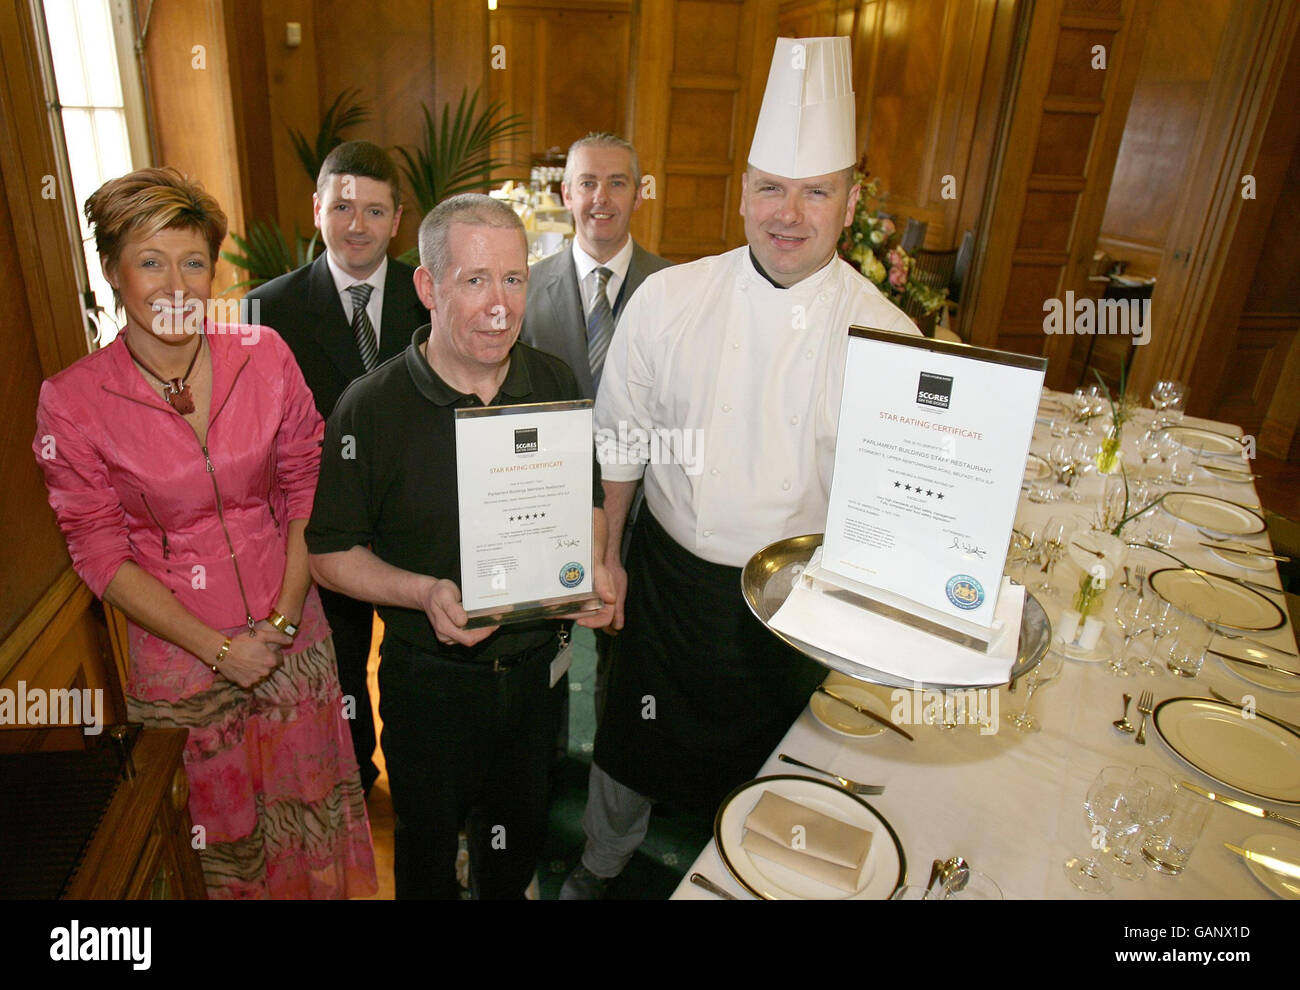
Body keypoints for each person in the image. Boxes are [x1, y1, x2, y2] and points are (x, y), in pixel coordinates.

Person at [561, 36, 920, 899]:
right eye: (770, 188)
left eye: (815, 191)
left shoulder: (889, 339)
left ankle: (749, 883)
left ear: (850, 200)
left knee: (778, 765)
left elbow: (898, 505)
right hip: (671, 577)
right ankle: (598, 867)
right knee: (629, 743)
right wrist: (606, 553)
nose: (788, 213)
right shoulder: (672, 298)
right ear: (742, 194)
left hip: (801, 606)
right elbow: (622, 440)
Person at [33, 167, 377, 899]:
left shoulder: (265, 354)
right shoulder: (72, 401)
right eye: (150, 261)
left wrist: (280, 623)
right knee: (217, 854)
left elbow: (305, 486)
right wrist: (221, 650)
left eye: (193, 261)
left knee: (303, 834)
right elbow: (97, 551)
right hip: (182, 662)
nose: (175, 284)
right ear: (113, 272)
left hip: (292, 636)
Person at [306, 194, 615, 899]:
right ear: (428, 286)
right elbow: (328, 552)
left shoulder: (553, 381)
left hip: (538, 675)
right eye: (474, 281)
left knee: (516, 844)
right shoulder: (371, 408)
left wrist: (592, 565)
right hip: (430, 683)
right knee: (425, 856)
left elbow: (587, 499)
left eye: (513, 280)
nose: (499, 305)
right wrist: (422, 592)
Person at [246, 140, 426, 795]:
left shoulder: (430, 295)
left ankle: (417, 786)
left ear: (398, 219)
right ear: (317, 208)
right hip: (326, 530)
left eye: (375, 211)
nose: (357, 224)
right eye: (343, 206)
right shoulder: (266, 310)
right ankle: (355, 783)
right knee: (342, 672)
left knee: (415, 664)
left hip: (419, 526)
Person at [522, 132, 671, 735]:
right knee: (545, 651)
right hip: (546, 506)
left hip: (643, 512)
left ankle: (613, 763)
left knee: (626, 646)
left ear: (639, 193)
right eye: (587, 183)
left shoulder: (675, 290)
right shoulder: (524, 286)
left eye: (617, 182)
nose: (601, 198)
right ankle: (547, 759)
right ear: (566, 193)